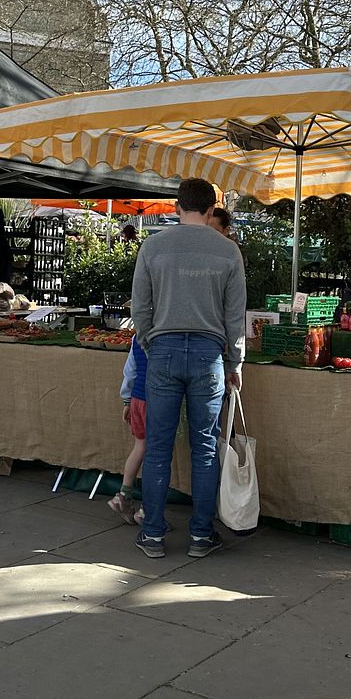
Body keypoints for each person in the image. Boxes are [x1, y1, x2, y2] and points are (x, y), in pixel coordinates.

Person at [130, 176, 247, 559]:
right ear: (212, 209)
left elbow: (139, 309)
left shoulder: (153, 246)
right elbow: (235, 318)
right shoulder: (228, 251)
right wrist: (235, 362)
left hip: (162, 352)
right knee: (205, 448)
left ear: (176, 208)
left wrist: (151, 342)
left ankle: (152, 534)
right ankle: (200, 535)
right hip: (209, 356)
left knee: (159, 446)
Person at [110, 333, 148, 524]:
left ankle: (124, 494)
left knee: (140, 446)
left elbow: (130, 371)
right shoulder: (166, 336)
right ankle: (148, 509)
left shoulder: (137, 337)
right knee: (157, 454)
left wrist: (127, 399)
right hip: (157, 400)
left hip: (137, 399)